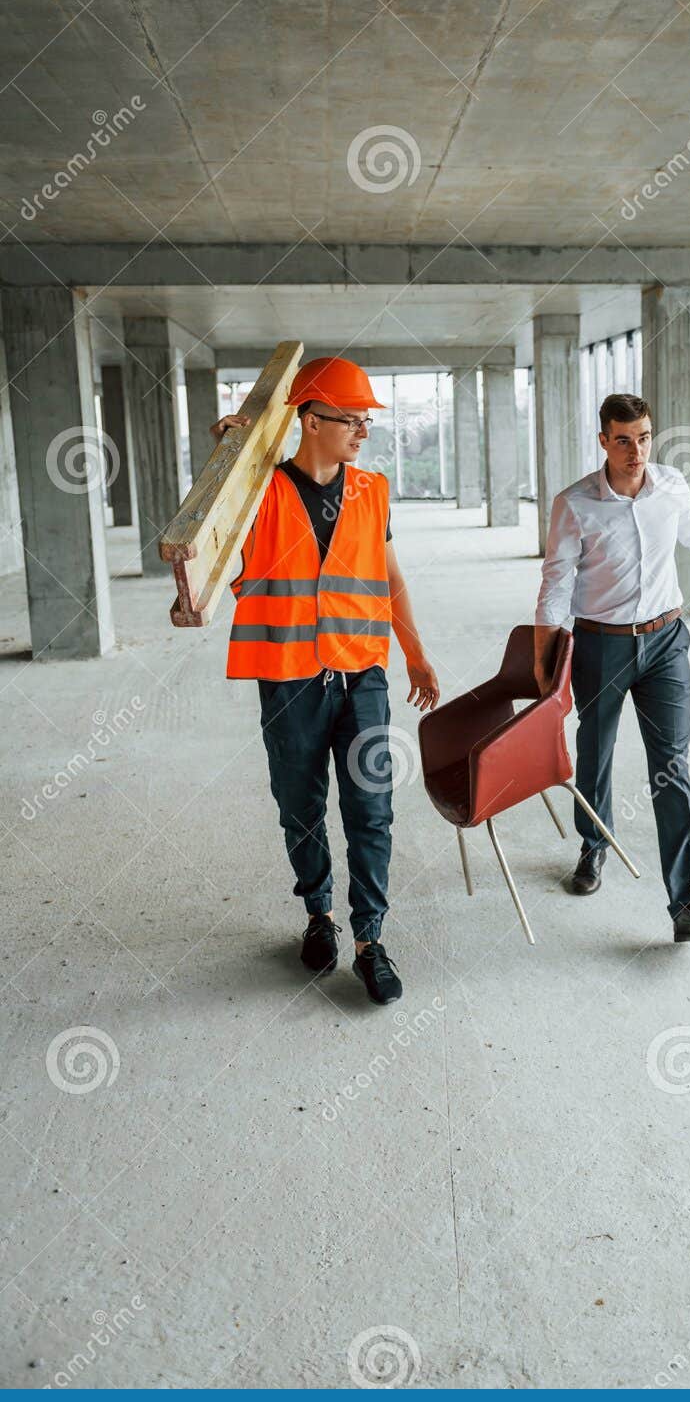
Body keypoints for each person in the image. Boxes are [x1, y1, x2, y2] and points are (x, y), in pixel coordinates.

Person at [211, 357, 439, 1004]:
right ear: (311, 421)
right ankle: (318, 914)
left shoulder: (372, 491)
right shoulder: (261, 492)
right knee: (302, 809)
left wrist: (415, 654)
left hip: (362, 672)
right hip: (288, 678)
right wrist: (225, 457)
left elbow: (390, 578)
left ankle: (370, 940)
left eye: (365, 422)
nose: (362, 432)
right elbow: (207, 531)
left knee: (371, 810)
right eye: (351, 421)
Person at [533, 392, 690, 942]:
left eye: (643, 438)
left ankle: (687, 906)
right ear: (602, 441)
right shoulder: (574, 504)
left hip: (666, 643)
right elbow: (555, 586)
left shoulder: (671, 488)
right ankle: (594, 848)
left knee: (673, 767)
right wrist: (545, 670)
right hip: (600, 646)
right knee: (596, 750)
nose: (635, 451)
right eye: (622, 440)